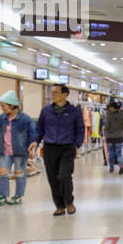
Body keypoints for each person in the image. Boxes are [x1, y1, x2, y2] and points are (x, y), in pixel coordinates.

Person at [33, 83, 85, 216]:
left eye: (55, 93)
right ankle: (59, 206)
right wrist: (35, 141)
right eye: (52, 93)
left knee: (64, 175)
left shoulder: (74, 111)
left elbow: (80, 129)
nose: (52, 95)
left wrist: (77, 145)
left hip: (67, 147)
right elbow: (40, 128)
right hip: (50, 148)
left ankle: (69, 202)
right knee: (53, 178)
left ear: (65, 95)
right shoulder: (46, 111)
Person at [0, 91, 35, 206]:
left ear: (12, 105)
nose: (2, 109)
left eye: (3, 106)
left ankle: (18, 196)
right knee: (2, 174)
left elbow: (33, 134)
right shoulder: (1, 118)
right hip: (4, 151)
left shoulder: (25, 119)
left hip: (20, 151)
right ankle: (2, 196)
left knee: (19, 174)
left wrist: (31, 149)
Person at [102, 99, 123, 175]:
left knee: (111, 153)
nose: (108, 109)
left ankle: (111, 168)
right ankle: (121, 166)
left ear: (112, 108)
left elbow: (107, 127)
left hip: (110, 137)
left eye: (109, 107)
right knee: (119, 153)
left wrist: (104, 128)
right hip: (119, 137)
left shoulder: (109, 116)